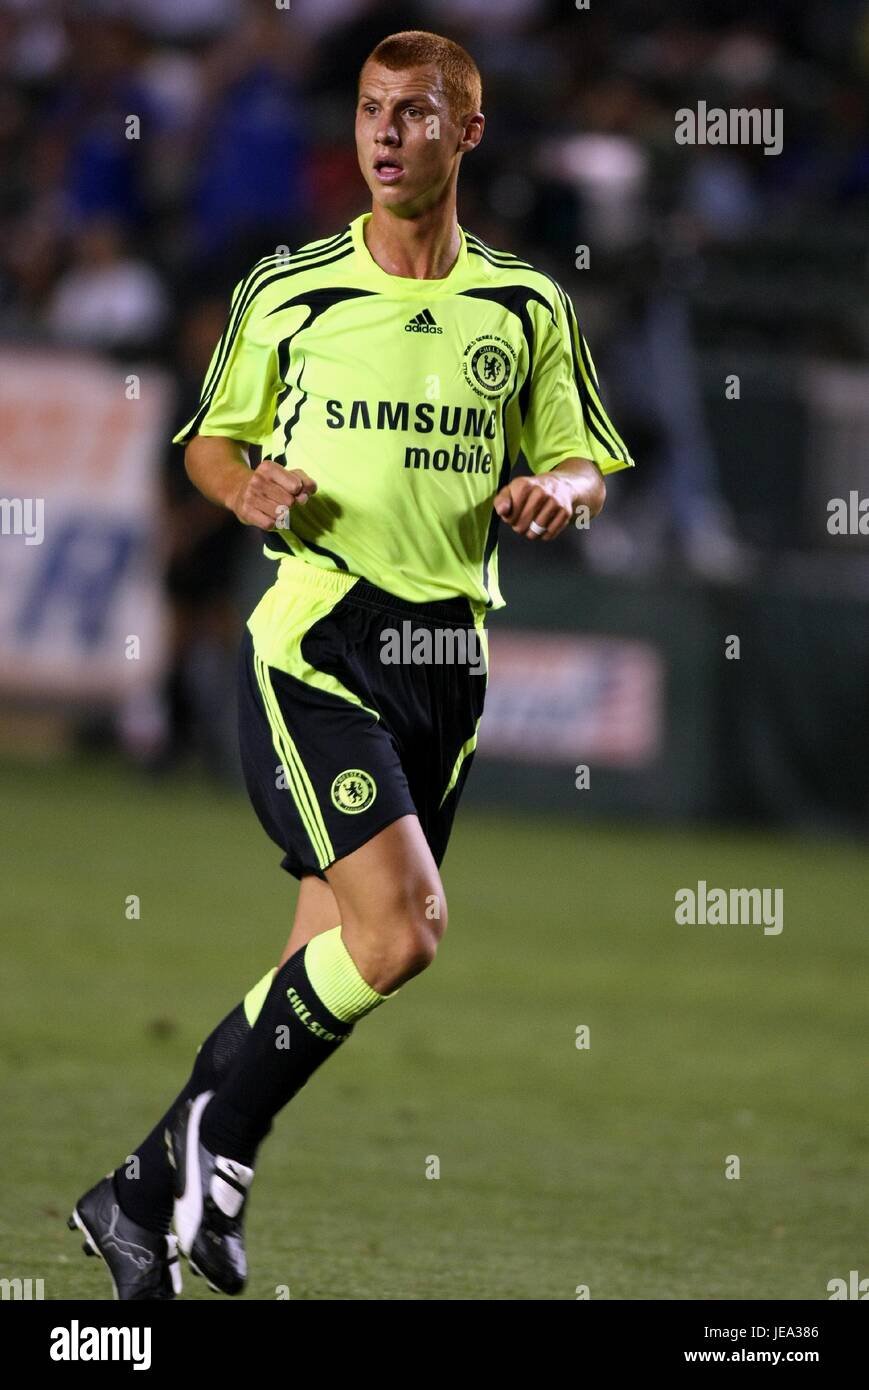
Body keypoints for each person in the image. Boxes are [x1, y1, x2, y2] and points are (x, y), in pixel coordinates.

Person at [68, 28, 633, 1300]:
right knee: (405, 929)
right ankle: (204, 1159)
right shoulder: (291, 287)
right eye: (373, 111)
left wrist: (560, 487)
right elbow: (207, 445)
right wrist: (247, 488)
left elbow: (584, 459)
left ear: (465, 135)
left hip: (449, 662)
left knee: (322, 959)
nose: (386, 133)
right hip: (320, 642)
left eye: (416, 113)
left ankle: (147, 1194)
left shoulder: (523, 306)